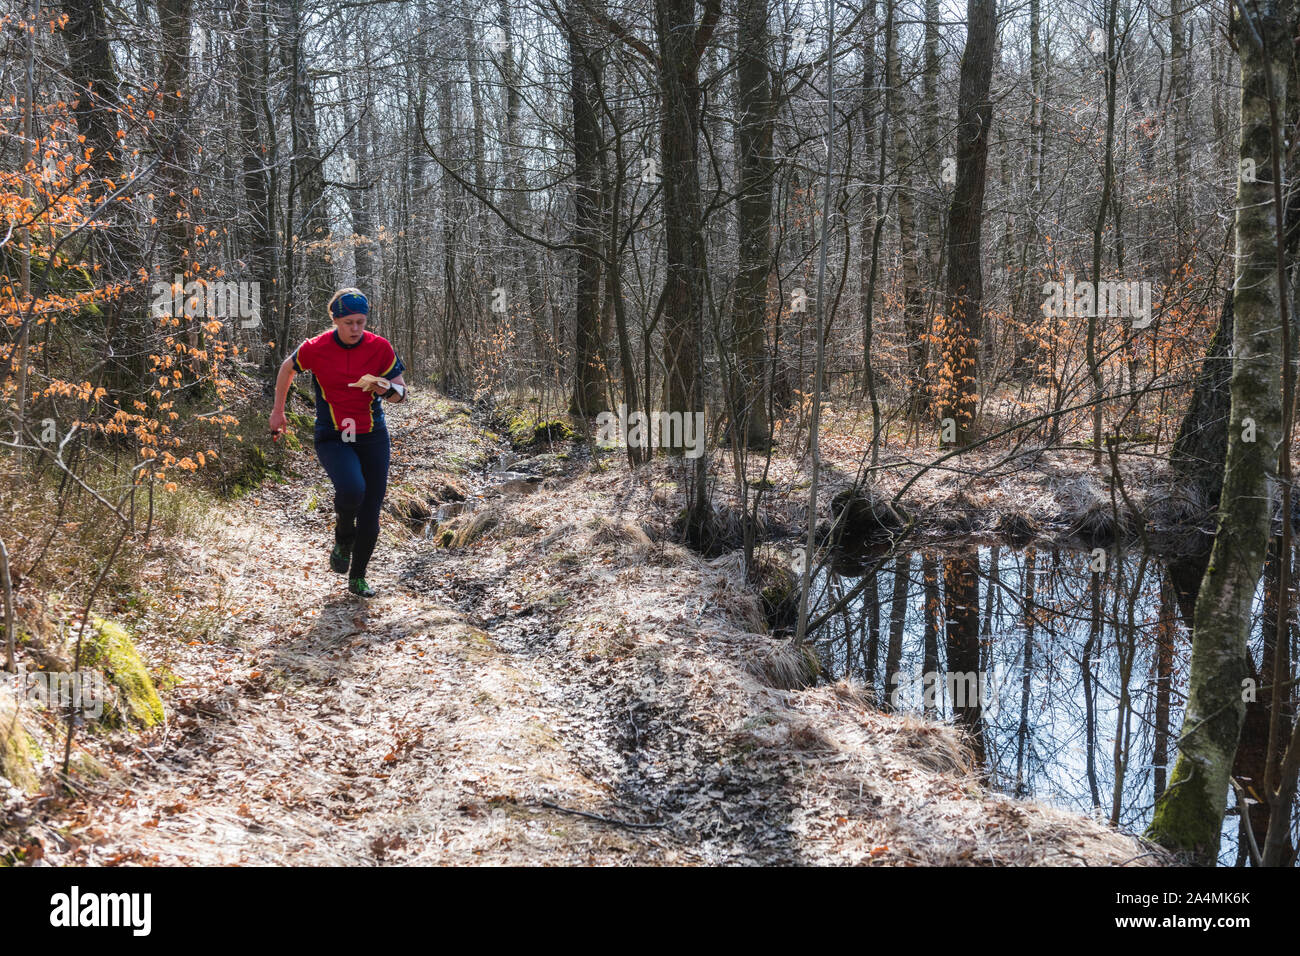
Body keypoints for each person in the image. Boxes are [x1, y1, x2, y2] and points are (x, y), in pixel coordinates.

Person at [268, 288, 408, 597]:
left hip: (371, 435)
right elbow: (286, 369)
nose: (356, 329)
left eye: (361, 322)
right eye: (349, 323)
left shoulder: (380, 348)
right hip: (335, 434)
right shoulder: (315, 348)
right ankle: (343, 536)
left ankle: (358, 578)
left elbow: (401, 392)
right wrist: (278, 411)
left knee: (371, 510)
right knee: (351, 489)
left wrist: (384, 387)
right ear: (335, 321)